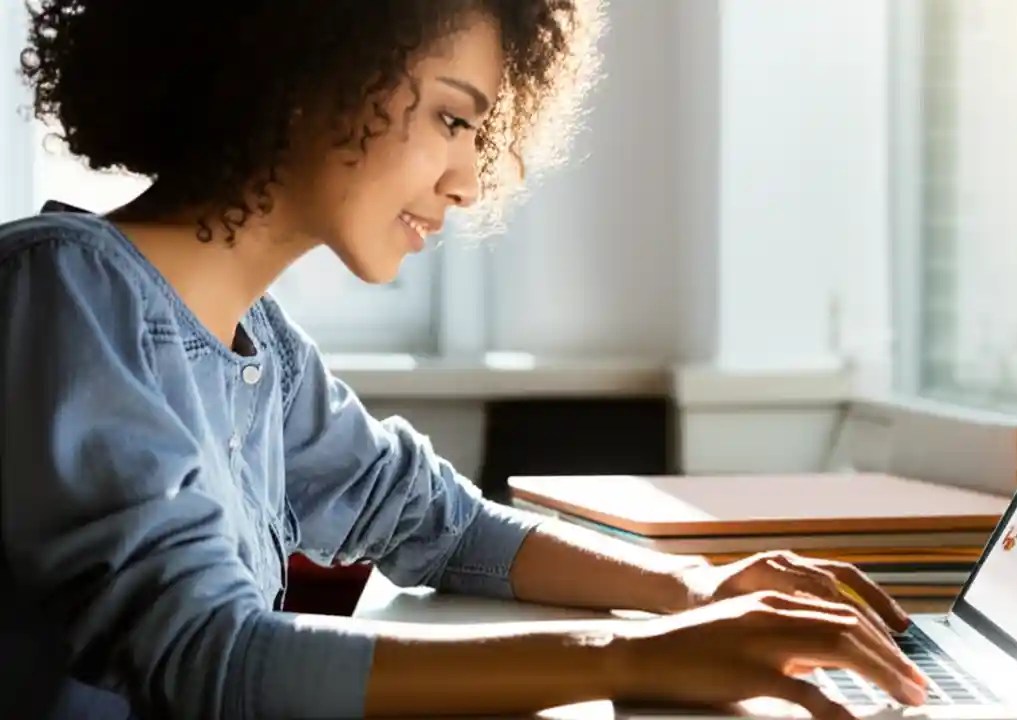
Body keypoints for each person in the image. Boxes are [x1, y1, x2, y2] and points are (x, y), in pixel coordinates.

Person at [0, 2, 929, 718]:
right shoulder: (64, 297)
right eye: (452, 119)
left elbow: (438, 523)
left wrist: (691, 587)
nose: (471, 180)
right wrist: (631, 658)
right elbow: (210, 659)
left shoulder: (260, 345)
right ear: (310, 61)